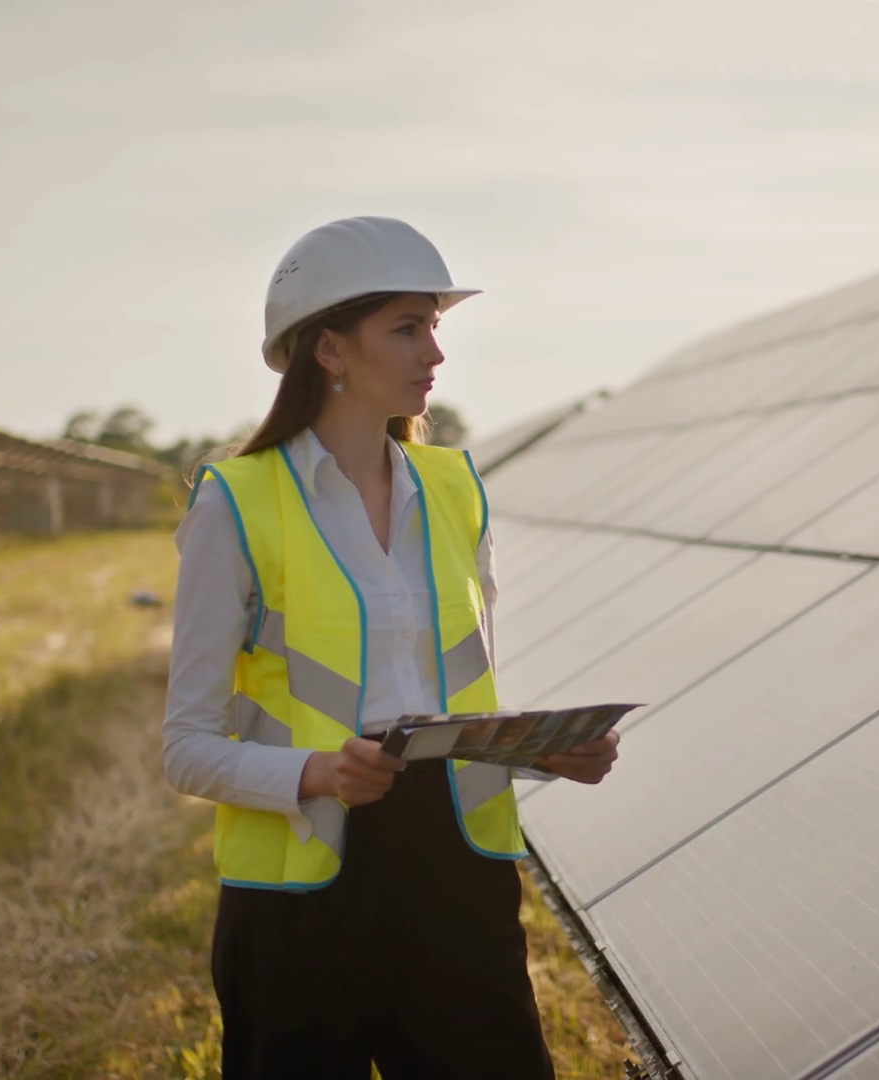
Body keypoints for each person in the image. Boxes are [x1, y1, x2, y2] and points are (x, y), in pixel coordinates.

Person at [162, 216, 620, 1079]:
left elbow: (456, 710)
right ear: (329, 350)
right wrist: (317, 773)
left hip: (456, 875)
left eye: (435, 327)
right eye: (407, 328)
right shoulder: (237, 503)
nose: (435, 354)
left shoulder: (455, 489)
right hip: (300, 891)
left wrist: (543, 754)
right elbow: (185, 751)